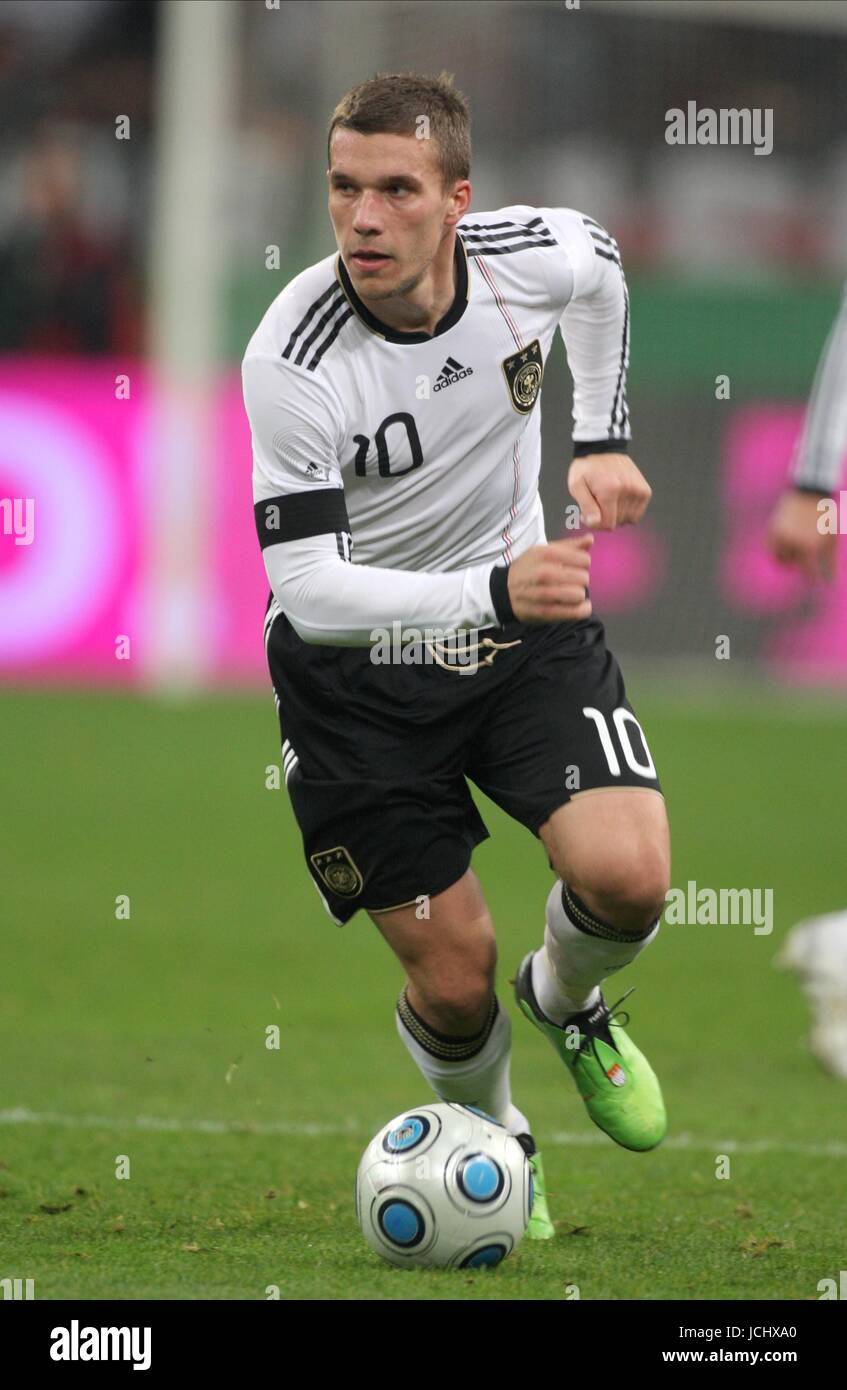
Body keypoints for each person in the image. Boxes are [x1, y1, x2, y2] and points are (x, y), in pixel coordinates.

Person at [242, 72, 671, 1239]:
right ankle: (503, 1141)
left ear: (455, 200)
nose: (364, 217)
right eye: (343, 188)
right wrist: (492, 581)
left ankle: (568, 999)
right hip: (355, 687)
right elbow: (306, 589)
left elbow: (603, 265)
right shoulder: (292, 356)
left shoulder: (529, 255)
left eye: (395, 189)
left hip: (518, 640)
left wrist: (601, 436)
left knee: (630, 874)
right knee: (452, 972)